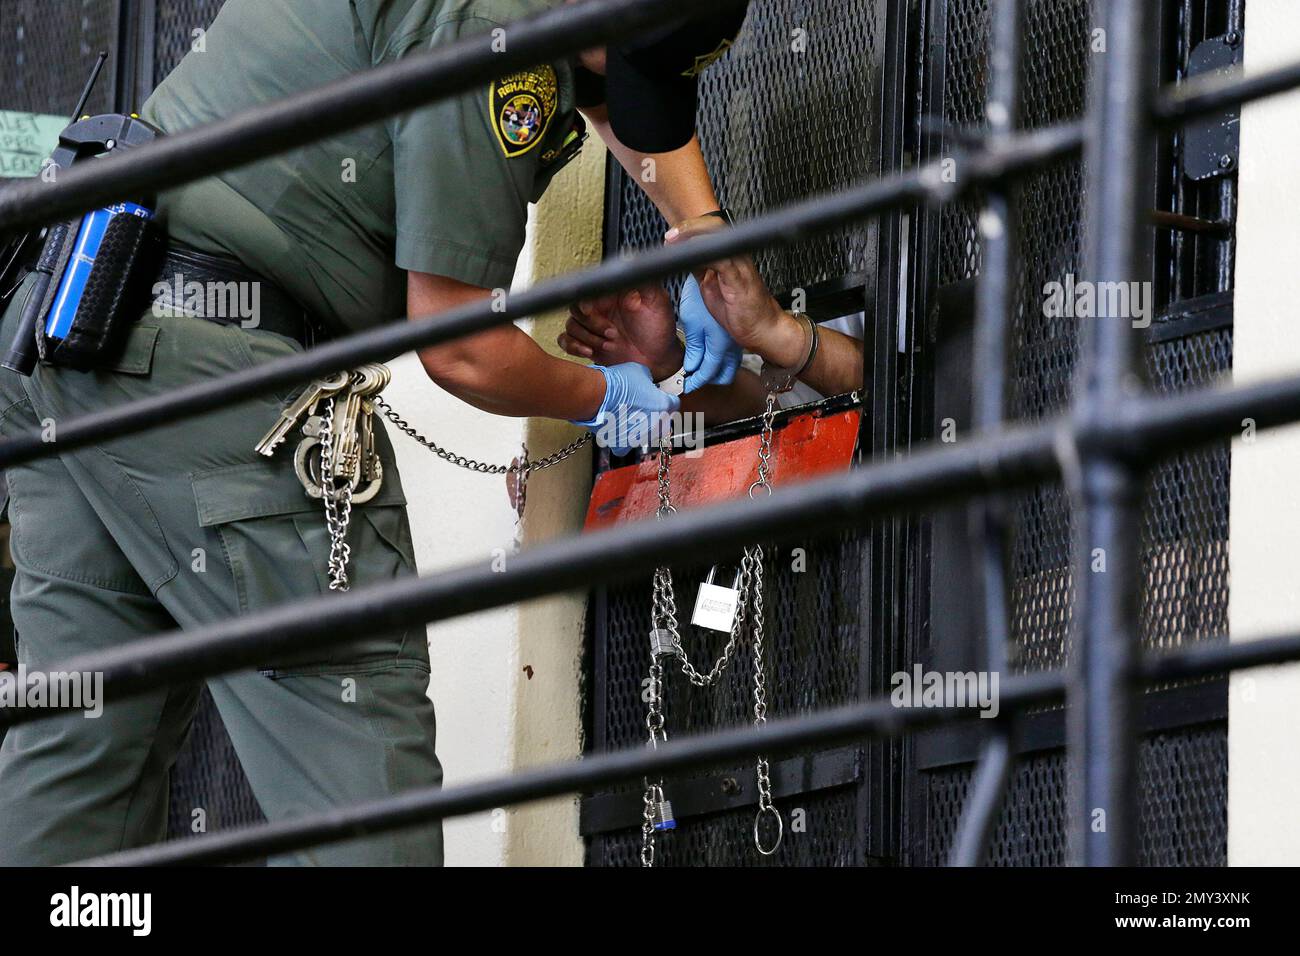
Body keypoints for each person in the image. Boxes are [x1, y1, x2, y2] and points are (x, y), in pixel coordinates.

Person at [0, 0, 749, 866]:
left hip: (77, 330)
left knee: (88, 742)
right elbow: (461, 346)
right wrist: (606, 395)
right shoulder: (497, 34)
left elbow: (609, 84)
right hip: (201, 353)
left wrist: (701, 233)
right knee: (353, 717)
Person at [560, 212, 866, 422]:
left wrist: (775, 331)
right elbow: (776, 404)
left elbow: (906, 400)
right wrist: (669, 370)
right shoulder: (873, 249)